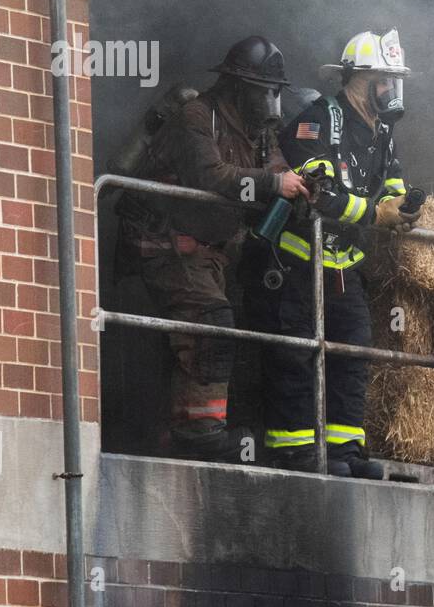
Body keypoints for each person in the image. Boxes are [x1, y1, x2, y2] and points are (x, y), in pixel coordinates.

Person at [116, 35, 309, 461]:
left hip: (208, 252)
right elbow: (211, 177)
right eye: (265, 91)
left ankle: (188, 428)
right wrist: (274, 183)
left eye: (275, 92)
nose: (271, 102)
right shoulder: (196, 116)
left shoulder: (259, 132)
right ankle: (199, 432)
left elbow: (279, 169)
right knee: (210, 318)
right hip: (162, 242)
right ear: (239, 85)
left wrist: (303, 186)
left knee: (217, 326)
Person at [242, 28, 420, 477]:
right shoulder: (318, 121)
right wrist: (375, 215)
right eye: (384, 79)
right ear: (358, 79)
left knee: (352, 352)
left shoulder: (383, 133)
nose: (391, 89)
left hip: (345, 267)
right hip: (298, 262)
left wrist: (403, 208)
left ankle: (344, 451)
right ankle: (294, 450)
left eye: (394, 80)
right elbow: (318, 194)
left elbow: (392, 184)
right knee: (296, 354)